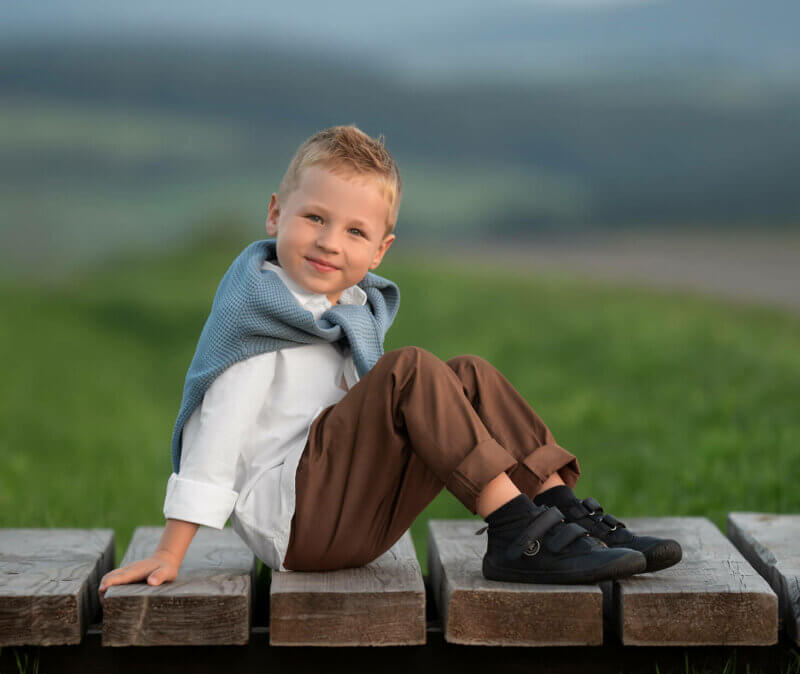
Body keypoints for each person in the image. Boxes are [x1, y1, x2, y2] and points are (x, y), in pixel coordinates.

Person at [98, 124, 681, 599]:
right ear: (275, 215)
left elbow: (371, 427)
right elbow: (214, 443)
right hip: (300, 525)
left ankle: (564, 517)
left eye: (355, 231)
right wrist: (171, 552)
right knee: (410, 371)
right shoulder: (256, 317)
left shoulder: (347, 310)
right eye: (314, 219)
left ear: (380, 251)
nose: (330, 242)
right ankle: (518, 535)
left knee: (467, 375)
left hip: (352, 513)